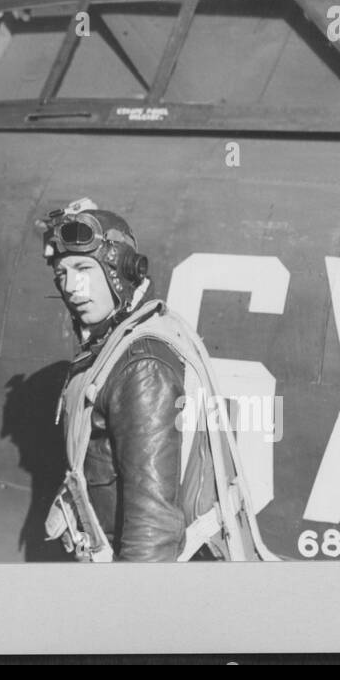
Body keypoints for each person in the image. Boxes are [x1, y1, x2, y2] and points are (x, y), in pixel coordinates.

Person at [40, 199, 274, 562]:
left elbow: (154, 526)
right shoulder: (114, 346)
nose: (71, 287)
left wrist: (137, 607)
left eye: (83, 268)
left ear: (120, 268)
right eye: (61, 275)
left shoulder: (140, 367)